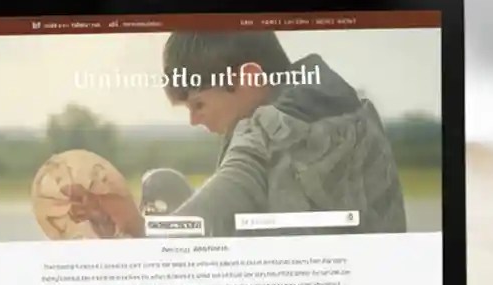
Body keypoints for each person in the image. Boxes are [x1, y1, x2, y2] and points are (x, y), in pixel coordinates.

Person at [161, 31, 406, 237]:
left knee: (160, 186)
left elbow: (220, 201)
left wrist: (141, 233)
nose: (193, 120)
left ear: (249, 79)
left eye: (199, 104)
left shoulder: (271, 130)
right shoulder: (356, 115)